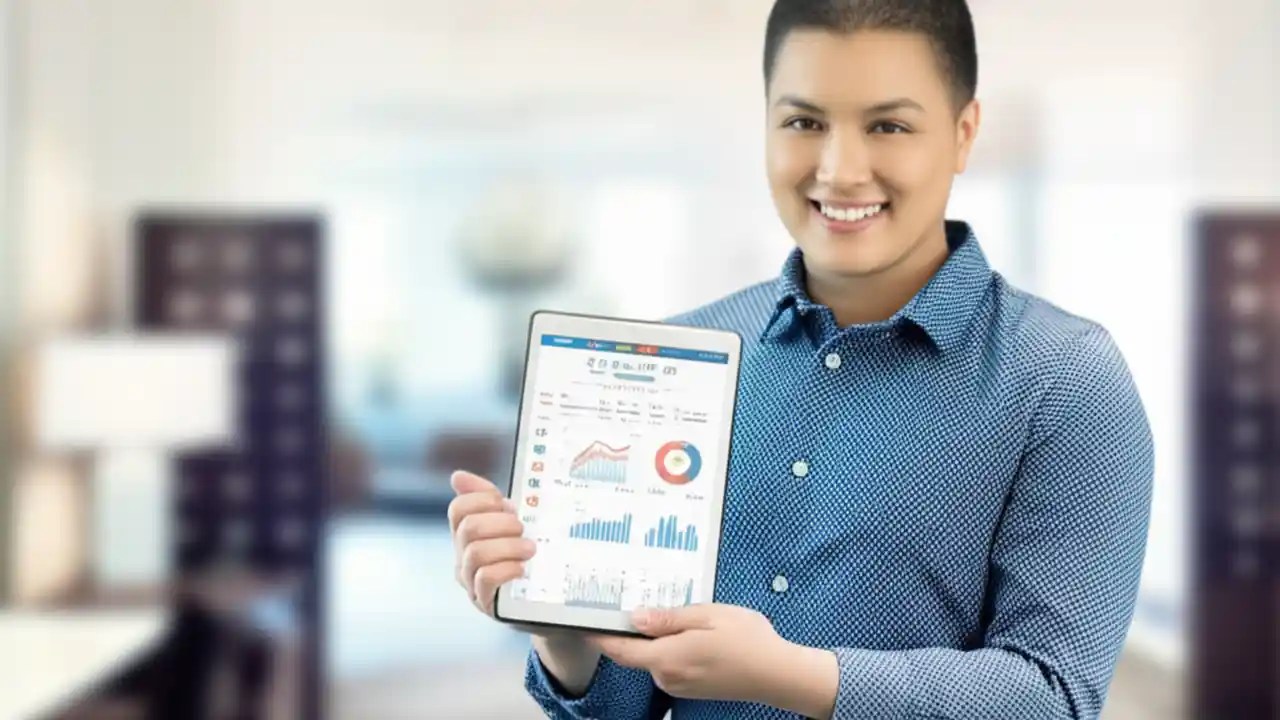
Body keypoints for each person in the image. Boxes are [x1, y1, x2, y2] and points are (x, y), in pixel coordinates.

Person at [447, 0, 1154, 717]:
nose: (840, 171)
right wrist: (562, 630)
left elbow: (1054, 695)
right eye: (804, 123)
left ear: (963, 133)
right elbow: (624, 701)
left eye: (888, 126)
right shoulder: (684, 362)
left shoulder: (1066, 380)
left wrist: (790, 675)